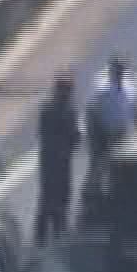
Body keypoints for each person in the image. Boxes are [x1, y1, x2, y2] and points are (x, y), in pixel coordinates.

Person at [84, 55, 137, 210]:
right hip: (101, 131)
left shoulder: (127, 86)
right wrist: (95, 134)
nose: (119, 73)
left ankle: (115, 193)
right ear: (111, 70)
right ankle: (91, 195)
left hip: (119, 131)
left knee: (118, 163)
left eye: (121, 70)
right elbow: (91, 110)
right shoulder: (101, 86)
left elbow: (131, 106)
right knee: (98, 163)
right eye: (116, 70)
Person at [36, 75, 83, 244]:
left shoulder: (56, 109)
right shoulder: (59, 111)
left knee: (55, 196)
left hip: (56, 159)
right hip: (55, 159)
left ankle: (51, 231)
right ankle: (52, 232)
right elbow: (71, 135)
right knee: (52, 196)